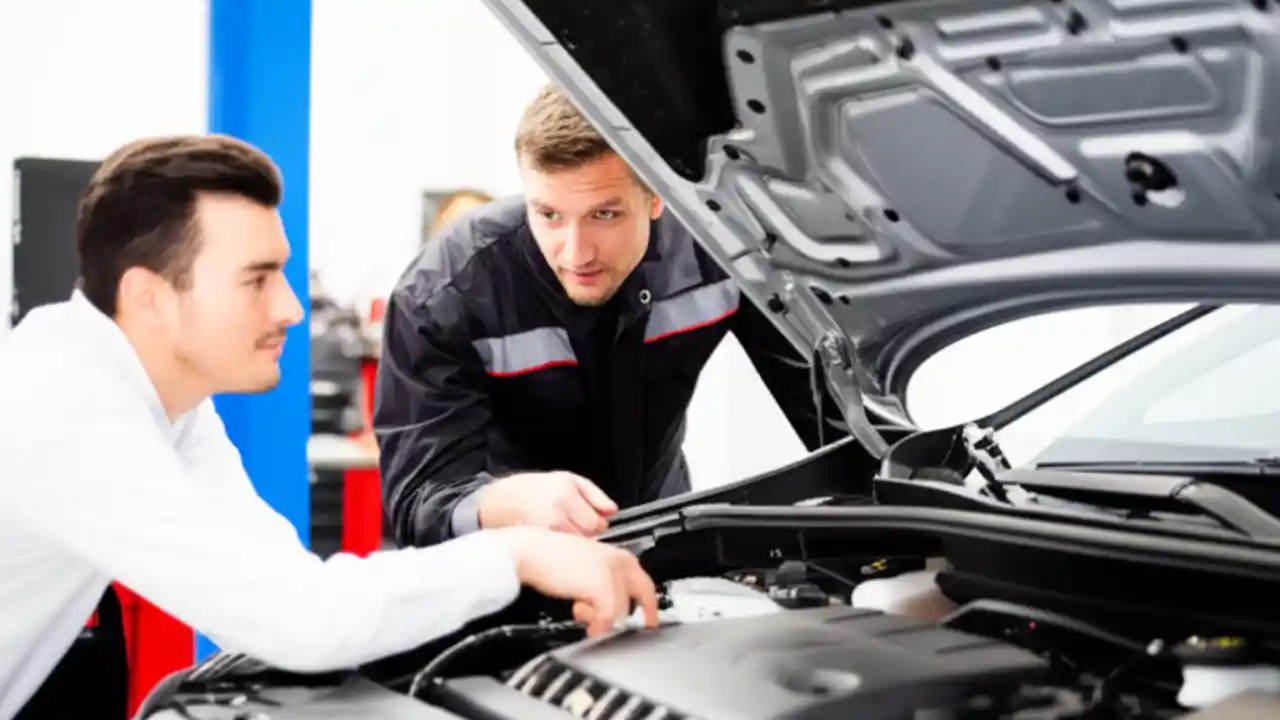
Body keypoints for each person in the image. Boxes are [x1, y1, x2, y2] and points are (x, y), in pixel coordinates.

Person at [0, 135, 658, 720]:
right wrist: (519, 553)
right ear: (148, 297)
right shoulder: (67, 406)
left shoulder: (171, 406)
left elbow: (278, 588)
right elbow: (301, 620)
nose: (289, 308)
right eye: (256, 280)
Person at [375, 84, 838, 549]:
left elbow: (832, 415)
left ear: (656, 196)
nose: (576, 253)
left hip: (661, 537)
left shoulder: (723, 253)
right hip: (515, 555)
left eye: (604, 214)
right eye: (549, 214)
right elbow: (418, 503)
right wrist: (507, 502)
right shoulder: (445, 294)